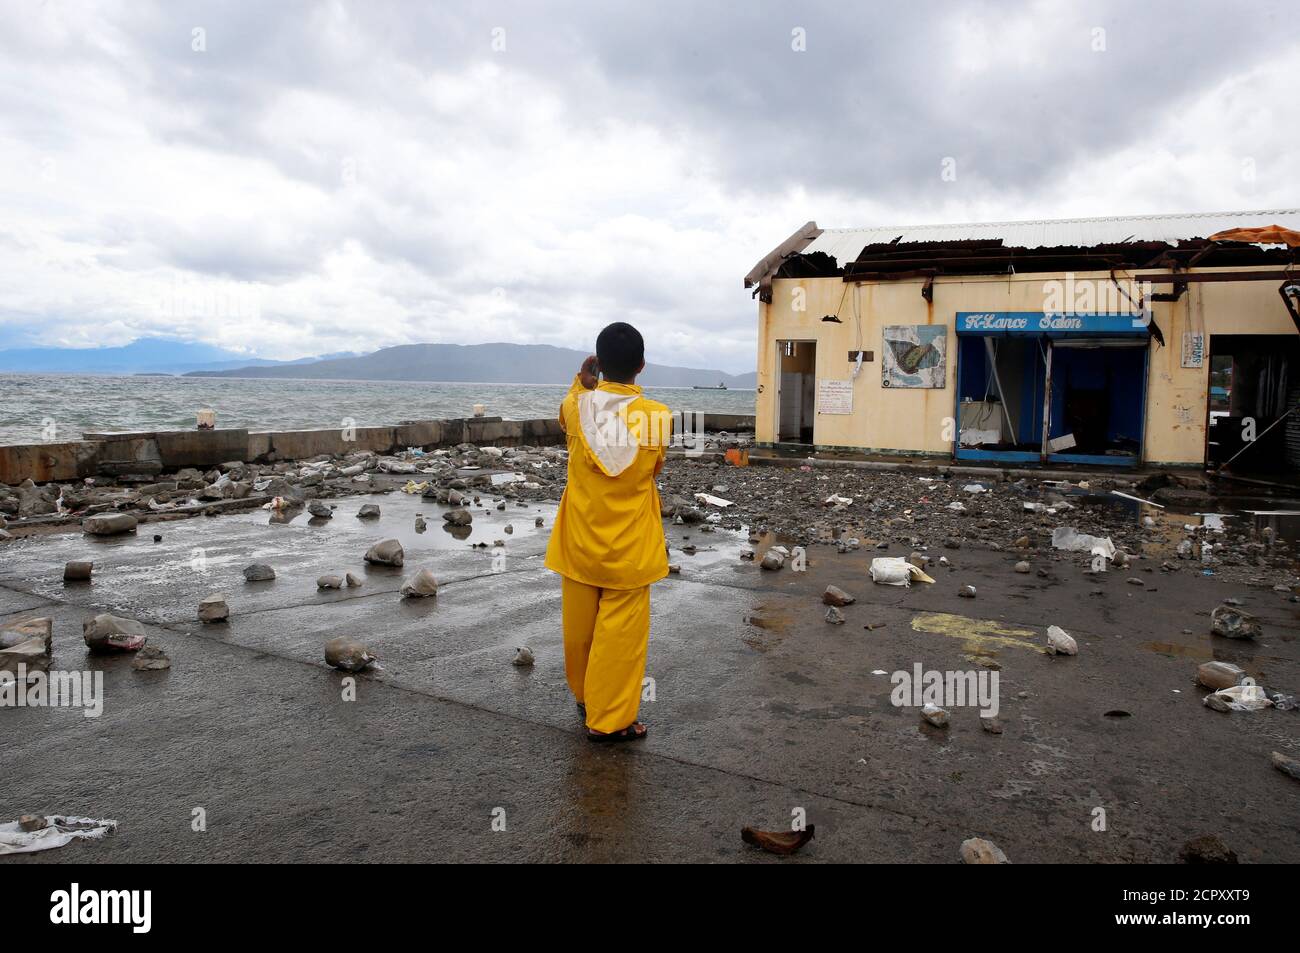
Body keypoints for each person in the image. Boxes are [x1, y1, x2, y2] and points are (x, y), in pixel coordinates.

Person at [544, 322, 671, 742]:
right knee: (619, 637)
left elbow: (566, 413)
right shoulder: (658, 418)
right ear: (641, 366)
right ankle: (609, 718)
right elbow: (653, 469)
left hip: (579, 539)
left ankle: (585, 696)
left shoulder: (577, 409)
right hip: (628, 548)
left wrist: (582, 386)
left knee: (579, 628)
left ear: (597, 364)